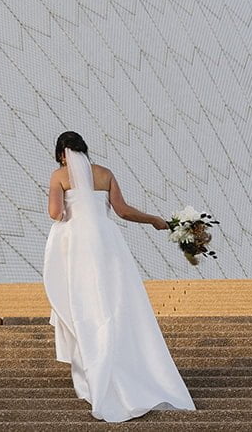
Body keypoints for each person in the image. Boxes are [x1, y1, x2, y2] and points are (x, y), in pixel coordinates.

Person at [43, 130, 195, 421]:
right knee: (115, 302)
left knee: (84, 305)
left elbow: (54, 213)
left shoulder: (59, 175)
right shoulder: (104, 174)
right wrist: (154, 220)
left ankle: (94, 368)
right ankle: (129, 364)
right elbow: (122, 211)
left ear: (62, 154)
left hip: (78, 247)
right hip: (107, 243)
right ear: (83, 150)